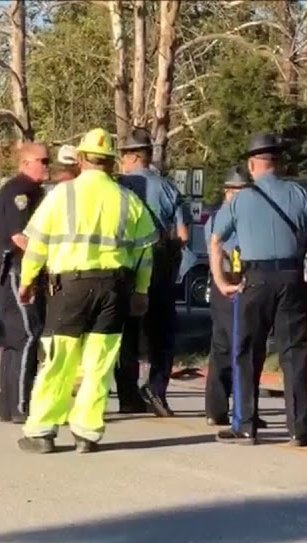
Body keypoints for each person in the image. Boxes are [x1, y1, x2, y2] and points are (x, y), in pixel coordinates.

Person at [14, 128, 157, 454]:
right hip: (114, 289)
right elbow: (144, 254)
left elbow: (37, 246)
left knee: (57, 359)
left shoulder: (62, 196)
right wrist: (141, 292)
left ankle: (42, 431)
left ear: (80, 159)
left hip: (71, 288)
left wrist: (26, 280)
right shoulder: (128, 199)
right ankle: (87, 433)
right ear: (110, 163)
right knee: (100, 361)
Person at [208, 131, 307, 447]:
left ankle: (246, 426)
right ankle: (299, 429)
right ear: (279, 164)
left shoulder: (241, 200)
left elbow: (215, 240)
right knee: (294, 353)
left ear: (252, 165)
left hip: (256, 279)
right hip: (292, 277)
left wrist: (223, 281)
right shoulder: (297, 193)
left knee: (248, 351)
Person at [113, 127, 191, 418]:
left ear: (133, 157)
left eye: (124, 156)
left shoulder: (119, 186)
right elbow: (183, 234)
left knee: (127, 334)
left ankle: (127, 395)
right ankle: (156, 388)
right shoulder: (167, 187)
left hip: (126, 264)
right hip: (160, 264)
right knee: (162, 332)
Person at [0, 142, 50, 424]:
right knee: (26, 336)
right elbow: (19, 237)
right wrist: (48, 259)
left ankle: (8, 404)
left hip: (11, 270)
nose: (47, 165)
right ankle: (22, 405)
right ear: (26, 163)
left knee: (15, 338)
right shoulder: (20, 191)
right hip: (15, 270)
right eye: (43, 160)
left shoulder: (31, 190)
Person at [204, 168, 265, 431]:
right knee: (226, 347)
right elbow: (219, 249)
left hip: (250, 281)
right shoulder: (218, 219)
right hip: (226, 281)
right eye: (234, 191)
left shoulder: (253, 217)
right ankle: (217, 409)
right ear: (227, 193)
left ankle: (247, 410)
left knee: (251, 347)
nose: (238, 196)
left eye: (243, 191)